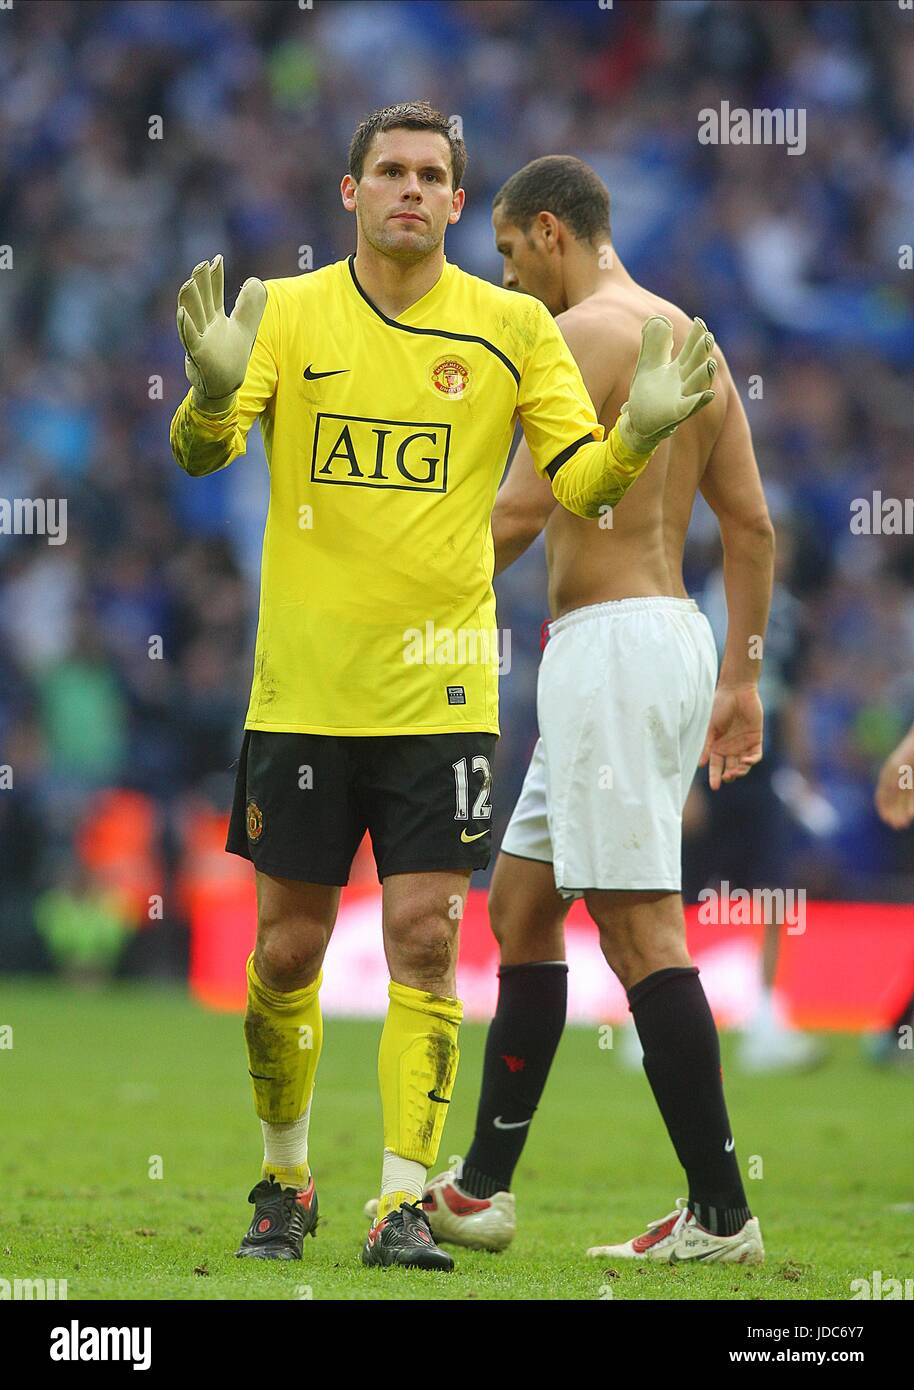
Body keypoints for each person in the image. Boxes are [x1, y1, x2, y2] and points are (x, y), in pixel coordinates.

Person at [168, 109, 716, 1271]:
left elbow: (575, 473)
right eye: (390, 173)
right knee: (283, 952)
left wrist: (636, 440)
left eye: (431, 175)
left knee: (425, 936)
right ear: (349, 192)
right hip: (303, 691)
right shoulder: (285, 309)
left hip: (444, 693)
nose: (409, 189)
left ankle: (402, 1201)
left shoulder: (515, 324)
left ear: (460, 205)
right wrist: (212, 398)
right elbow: (201, 454)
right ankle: (283, 1177)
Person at [421, 155, 771, 1264]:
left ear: (548, 233)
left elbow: (521, 511)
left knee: (634, 926)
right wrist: (741, 676)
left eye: (511, 254)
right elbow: (751, 528)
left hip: (608, 647)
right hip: (662, 639)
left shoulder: (577, 336)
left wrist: (398, 600)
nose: (511, 278)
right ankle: (481, 1192)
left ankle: (721, 1214)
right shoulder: (690, 336)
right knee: (521, 909)